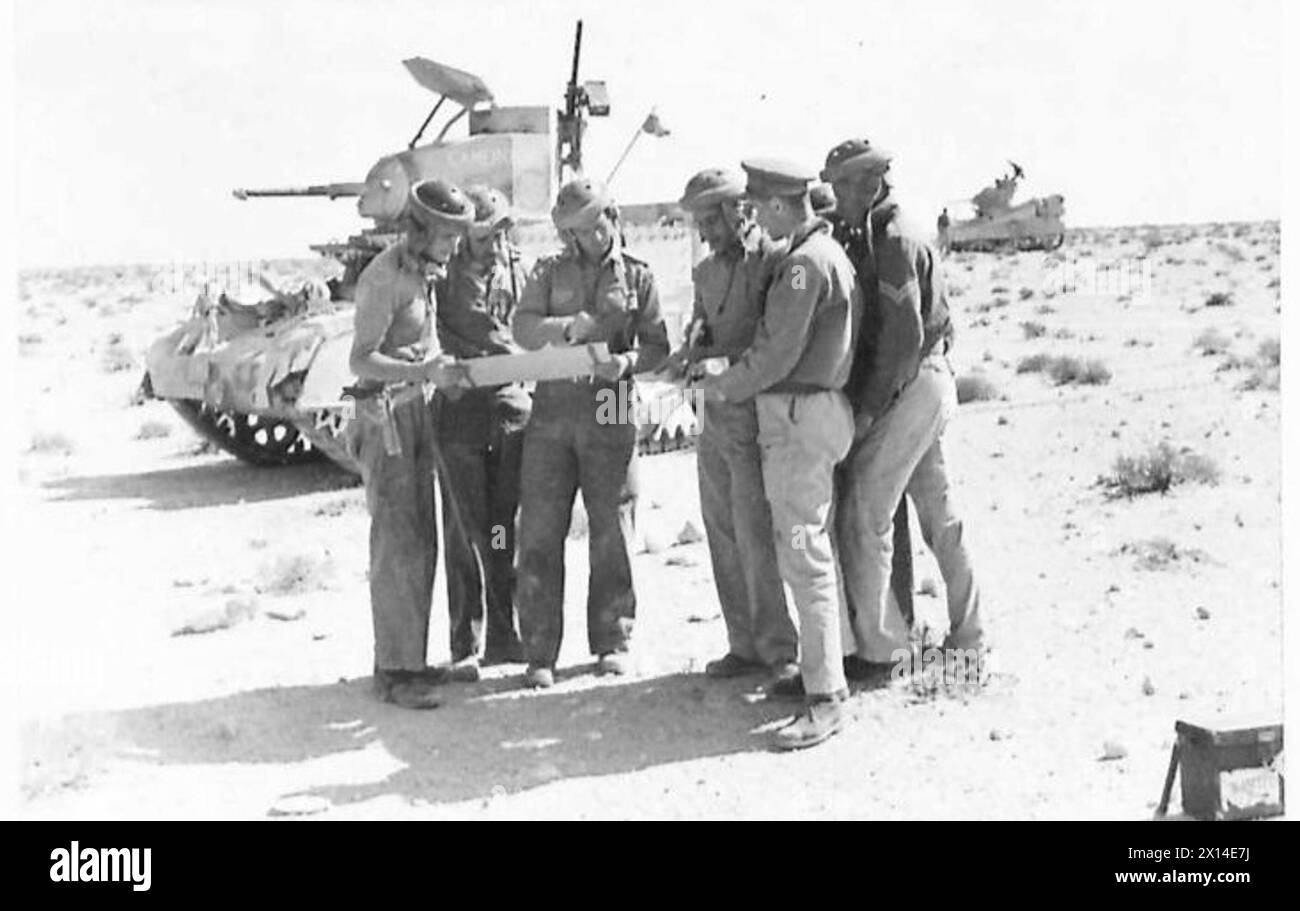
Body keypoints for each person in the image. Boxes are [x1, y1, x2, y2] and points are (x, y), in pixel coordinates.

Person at [695, 158, 860, 750]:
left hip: (798, 418)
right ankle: (824, 673)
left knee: (803, 554)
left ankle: (826, 697)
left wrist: (718, 386)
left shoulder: (800, 266)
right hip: (804, 415)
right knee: (807, 549)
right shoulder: (818, 254)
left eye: (760, 204)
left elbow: (774, 356)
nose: (755, 215)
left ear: (783, 204)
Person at [821, 137, 984, 672]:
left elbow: (901, 340)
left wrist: (869, 410)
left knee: (866, 513)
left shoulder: (891, 240)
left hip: (911, 384)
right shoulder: (885, 230)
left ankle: (885, 649)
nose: (836, 195)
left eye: (842, 185)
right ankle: (968, 633)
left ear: (870, 184)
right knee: (938, 514)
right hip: (927, 380)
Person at [511, 178, 670, 689]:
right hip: (554, 401)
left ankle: (612, 639)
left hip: (611, 398)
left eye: (597, 223)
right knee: (538, 528)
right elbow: (523, 327)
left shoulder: (639, 275)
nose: (592, 235)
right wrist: (565, 328)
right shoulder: (547, 272)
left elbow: (658, 346)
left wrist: (626, 361)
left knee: (612, 526)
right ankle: (539, 651)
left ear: (612, 217)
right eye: (579, 230)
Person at [346, 178, 474, 709]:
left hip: (415, 412)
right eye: (446, 236)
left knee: (420, 538)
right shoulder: (384, 279)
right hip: (388, 422)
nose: (454, 247)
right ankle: (396, 672)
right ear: (420, 229)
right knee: (398, 542)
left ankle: (410, 660)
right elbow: (360, 359)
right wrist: (423, 368)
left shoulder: (423, 274)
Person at [670, 168, 798, 685]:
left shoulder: (773, 262)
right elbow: (703, 331)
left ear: (736, 211)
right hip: (712, 417)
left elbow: (775, 342)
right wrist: (690, 351)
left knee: (754, 533)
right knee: (721, 531)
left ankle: (777, 648)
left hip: (753, 414)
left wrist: (720, 366)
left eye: (710, 220)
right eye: (698, 222)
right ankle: (741, 643)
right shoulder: (705, 274)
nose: (704, 232)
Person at [432, 184, 533, 681]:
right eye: (481, 237)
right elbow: (472, 331)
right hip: (461, 414)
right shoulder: (443, 276)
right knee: (463, 531)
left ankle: (504, 634)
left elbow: (531, 324)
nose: (491, 245)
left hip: (509, 408)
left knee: (499, 526)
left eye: (497, 235)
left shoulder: (518, 268)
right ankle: (464, 642)